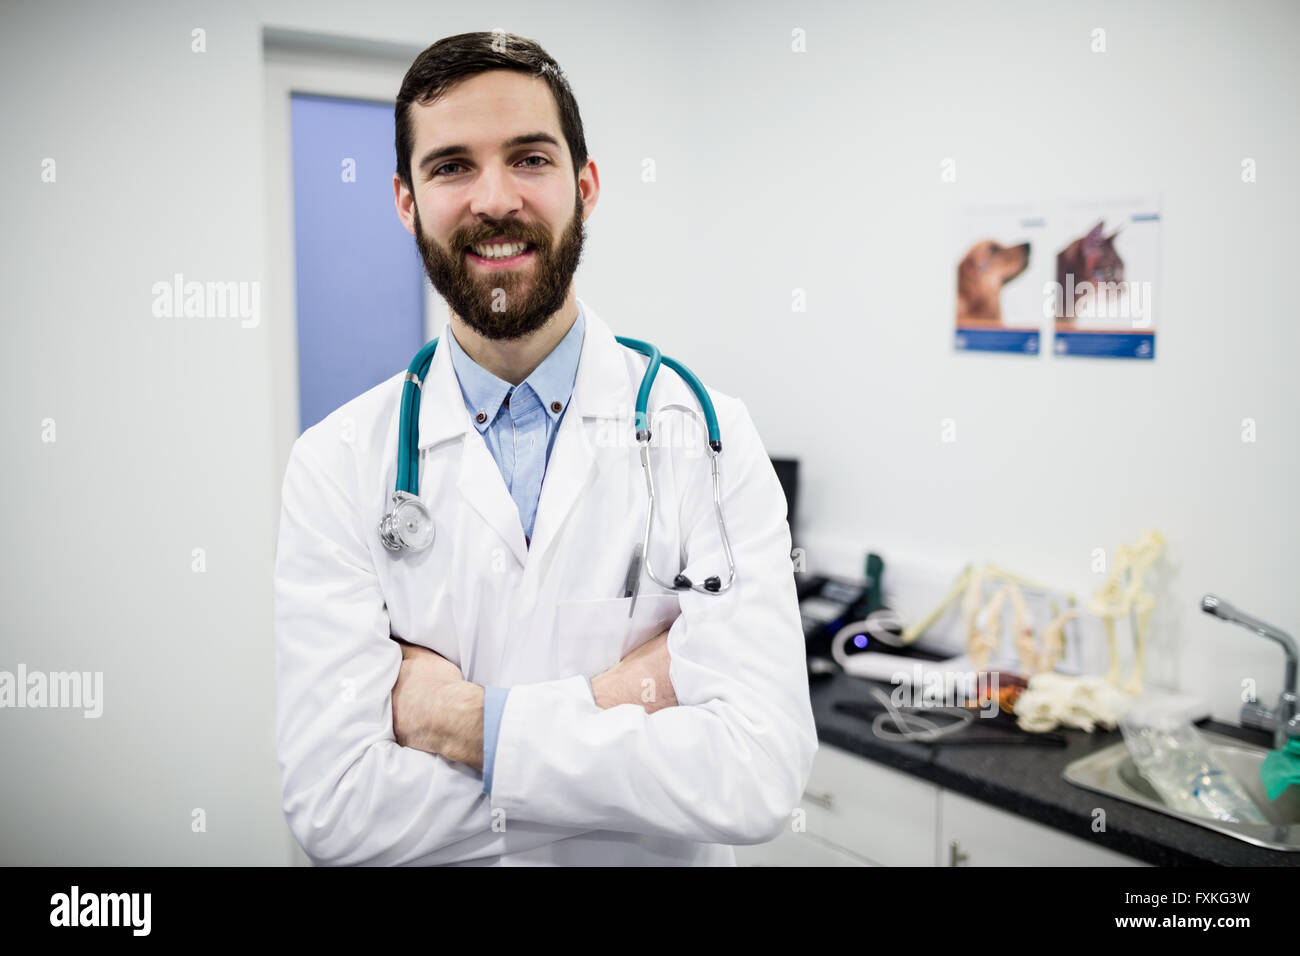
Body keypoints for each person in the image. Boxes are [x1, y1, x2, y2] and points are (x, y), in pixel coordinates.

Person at [273, 31, 817, 866]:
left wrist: (463, 722)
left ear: (585, 186)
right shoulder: (337, 463)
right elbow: (338, 808)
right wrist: (618, 708)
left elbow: (756, 777)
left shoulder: (706, 438)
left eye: (529, 158)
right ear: (405, 201)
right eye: (451, 165)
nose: (495, 199)